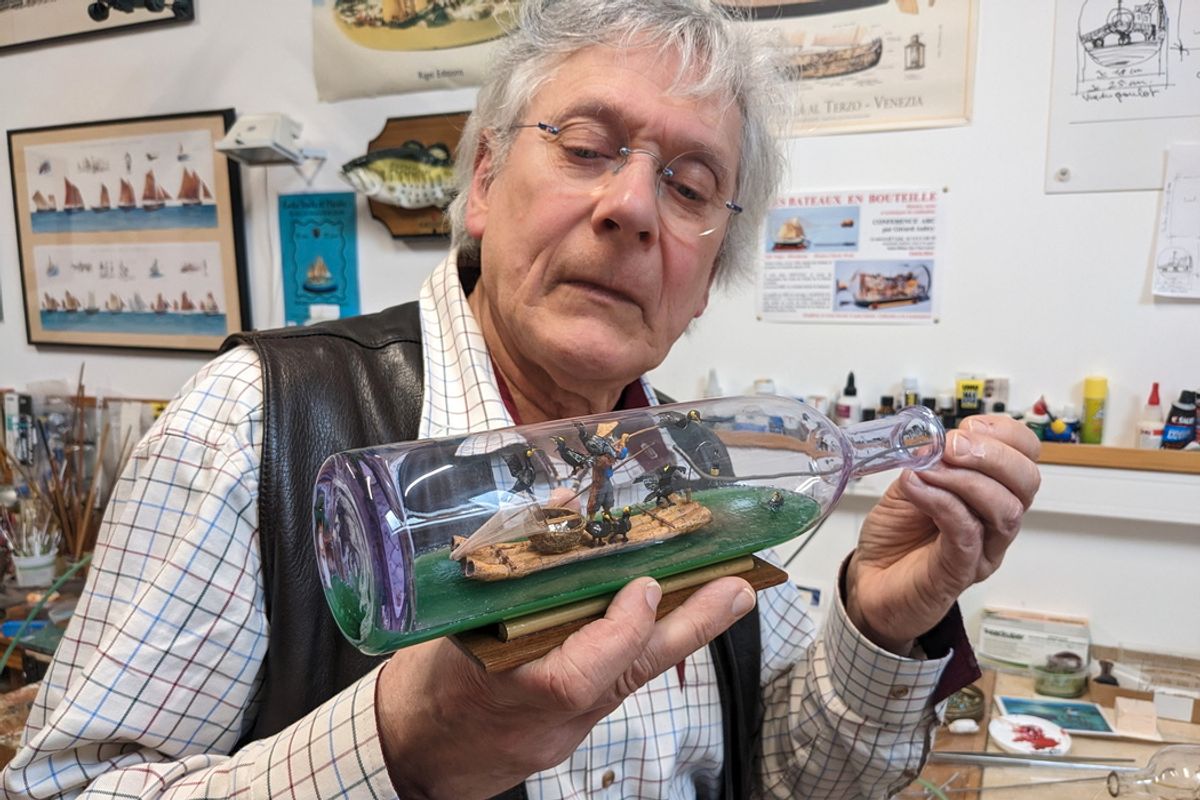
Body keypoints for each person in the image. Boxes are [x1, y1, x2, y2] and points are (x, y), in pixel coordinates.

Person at [2, 1, 1041, 798]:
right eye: (586, 145)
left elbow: (791, 774)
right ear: (488, 181)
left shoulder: (704, 470)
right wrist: (398, 749)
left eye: (688, 185)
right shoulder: (252, 424)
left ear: (708, 267)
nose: (631, 206)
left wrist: (878, 620)